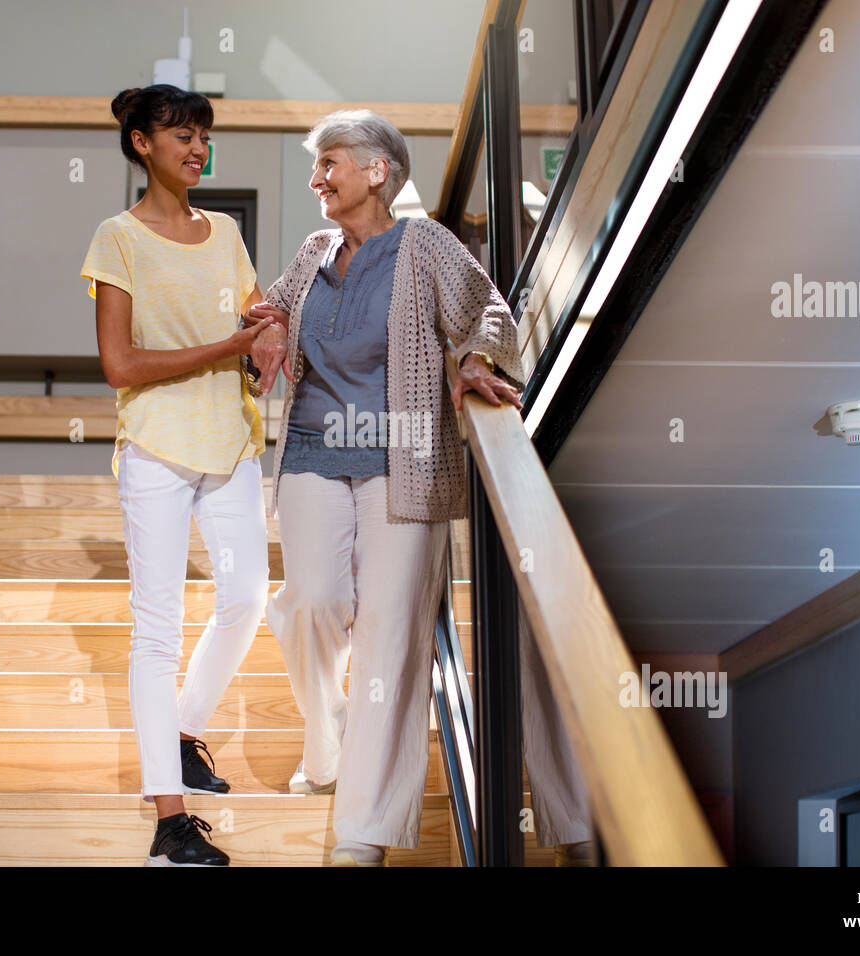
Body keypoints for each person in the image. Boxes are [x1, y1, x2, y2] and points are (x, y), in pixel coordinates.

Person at [249, 109, 531, 866]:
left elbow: (490, 315)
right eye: (316, 167)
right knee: (310, 602)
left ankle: (363, 831)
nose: (317, 178)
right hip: (311, 449)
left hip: (404, 461)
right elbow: (269, 305)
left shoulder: (427, 243)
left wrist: (475, 361)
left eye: (329, 162)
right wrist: (269, 321)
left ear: (377, 170)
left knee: (391, 631)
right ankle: (325, 735)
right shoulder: (314, 250)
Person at [80, 84, 278, 866]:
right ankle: (169, 822)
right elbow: (119, 364)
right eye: (181, 135)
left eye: (204, 136)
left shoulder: (225, 232)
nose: (197, 148)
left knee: (244, 598)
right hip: (157, 450)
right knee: (156, 631)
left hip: (229, 443)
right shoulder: (117, 237)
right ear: (141, 143)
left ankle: (185, 729)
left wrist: (265, 336)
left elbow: (257, 319)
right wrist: (229, 346)